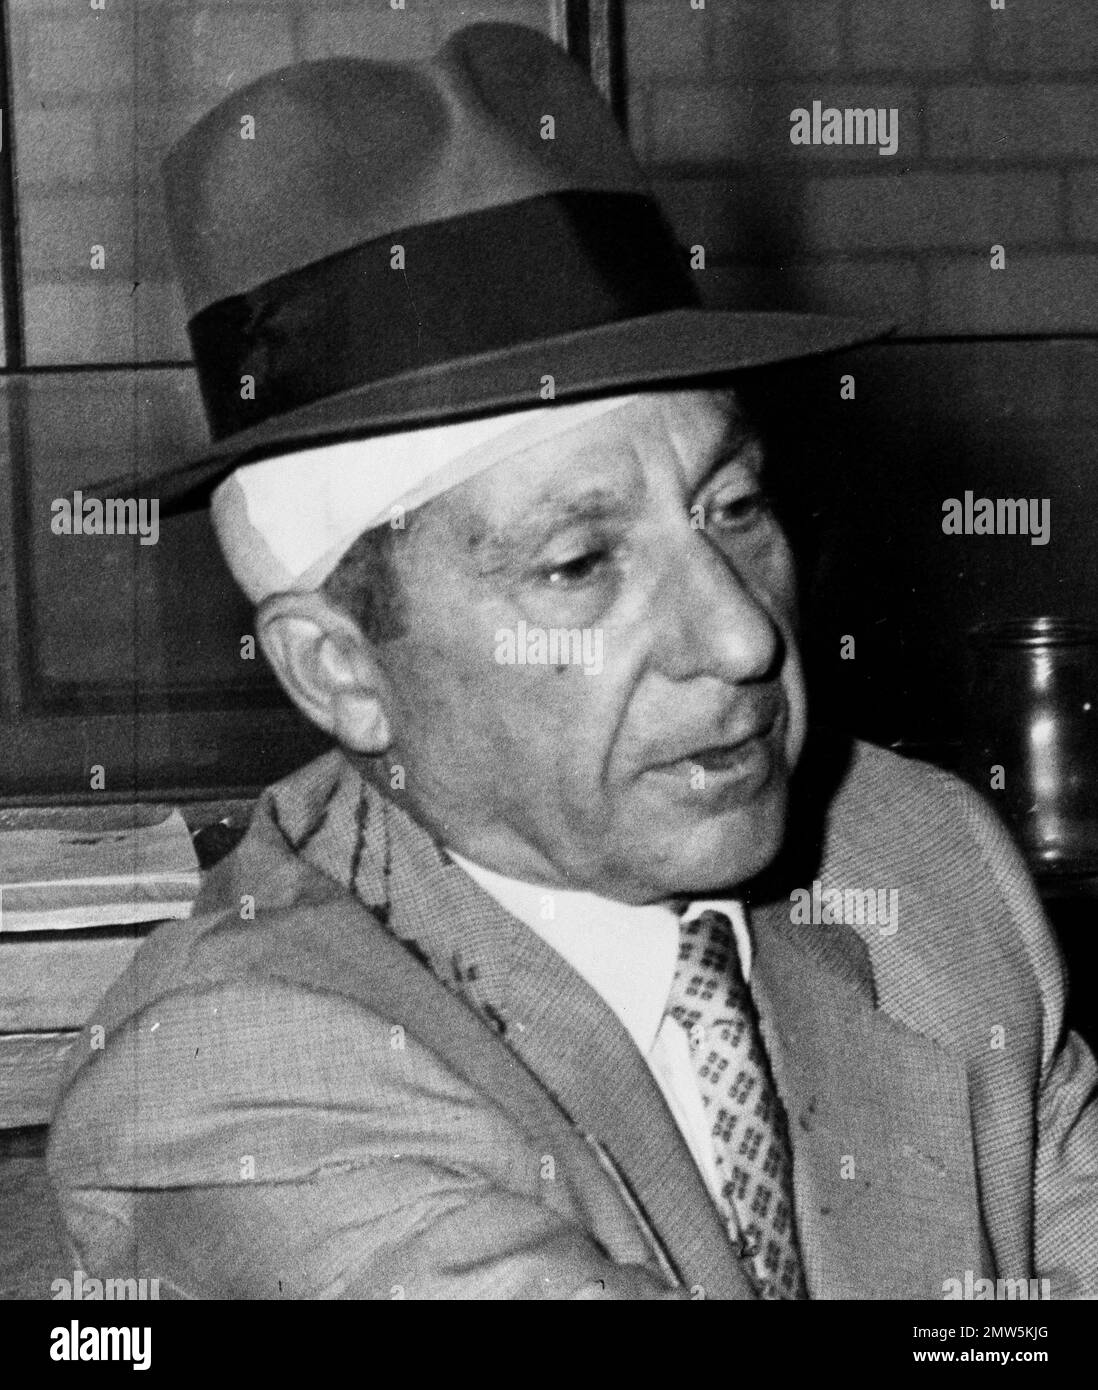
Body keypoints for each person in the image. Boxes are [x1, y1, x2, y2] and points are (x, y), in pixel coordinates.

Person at [47, 23, 1097, 1300]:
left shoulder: (919, 868)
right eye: (580, 564)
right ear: (341, 672)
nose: (742, 635)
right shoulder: (234, 1072)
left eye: (733, 509)